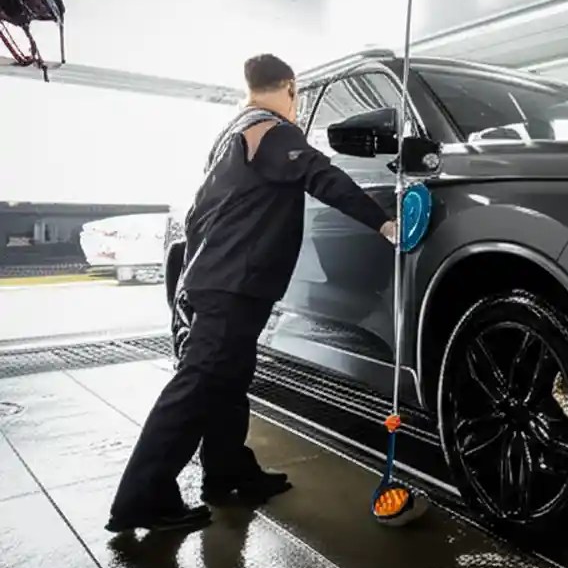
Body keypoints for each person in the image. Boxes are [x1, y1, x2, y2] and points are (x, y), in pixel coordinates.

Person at [106, 54, 397, 532]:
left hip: (217, 279)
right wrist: (384, 222)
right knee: (199, 383)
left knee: (228, 378)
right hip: (233, 283)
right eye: (295, 98)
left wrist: (192, 280)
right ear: (289, 89)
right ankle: (143, 495)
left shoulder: (230, 138)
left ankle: (227, 472)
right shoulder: (272, 130)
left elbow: (198, 216)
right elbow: (322, 176)